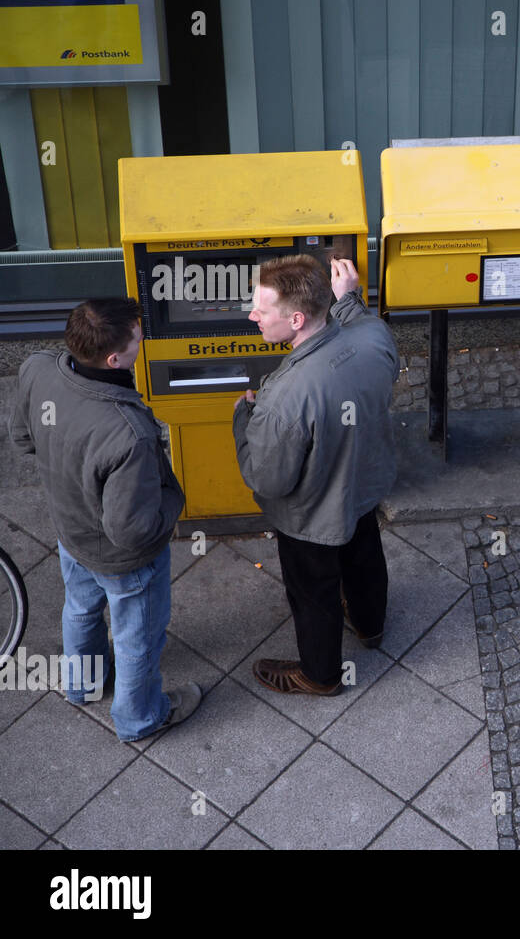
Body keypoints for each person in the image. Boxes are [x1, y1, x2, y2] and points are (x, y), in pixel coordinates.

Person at [8, 297, 202, 740]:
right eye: (138, 337)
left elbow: (21, 438)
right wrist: (172, 506)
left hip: (69, 531)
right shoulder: (127, 432)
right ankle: (140, 718)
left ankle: (83, 684)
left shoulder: (38, 368)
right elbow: (130, 530)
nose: (142, 339)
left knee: (80, 608)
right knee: (138, 638)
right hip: (122, 559)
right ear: (115, 358)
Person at [234, 255, 398, 695]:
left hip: (311, 516)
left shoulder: (286, 397)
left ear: (297, 319)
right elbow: (357, 327)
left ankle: (320, 675)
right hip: (362, 484)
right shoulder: (374, 337)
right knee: (364, 554)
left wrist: (243, 420)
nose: (252, 316)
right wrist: (348, 299)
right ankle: (369, 626)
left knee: (313, 592)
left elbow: (268, 480)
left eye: (262, 311)